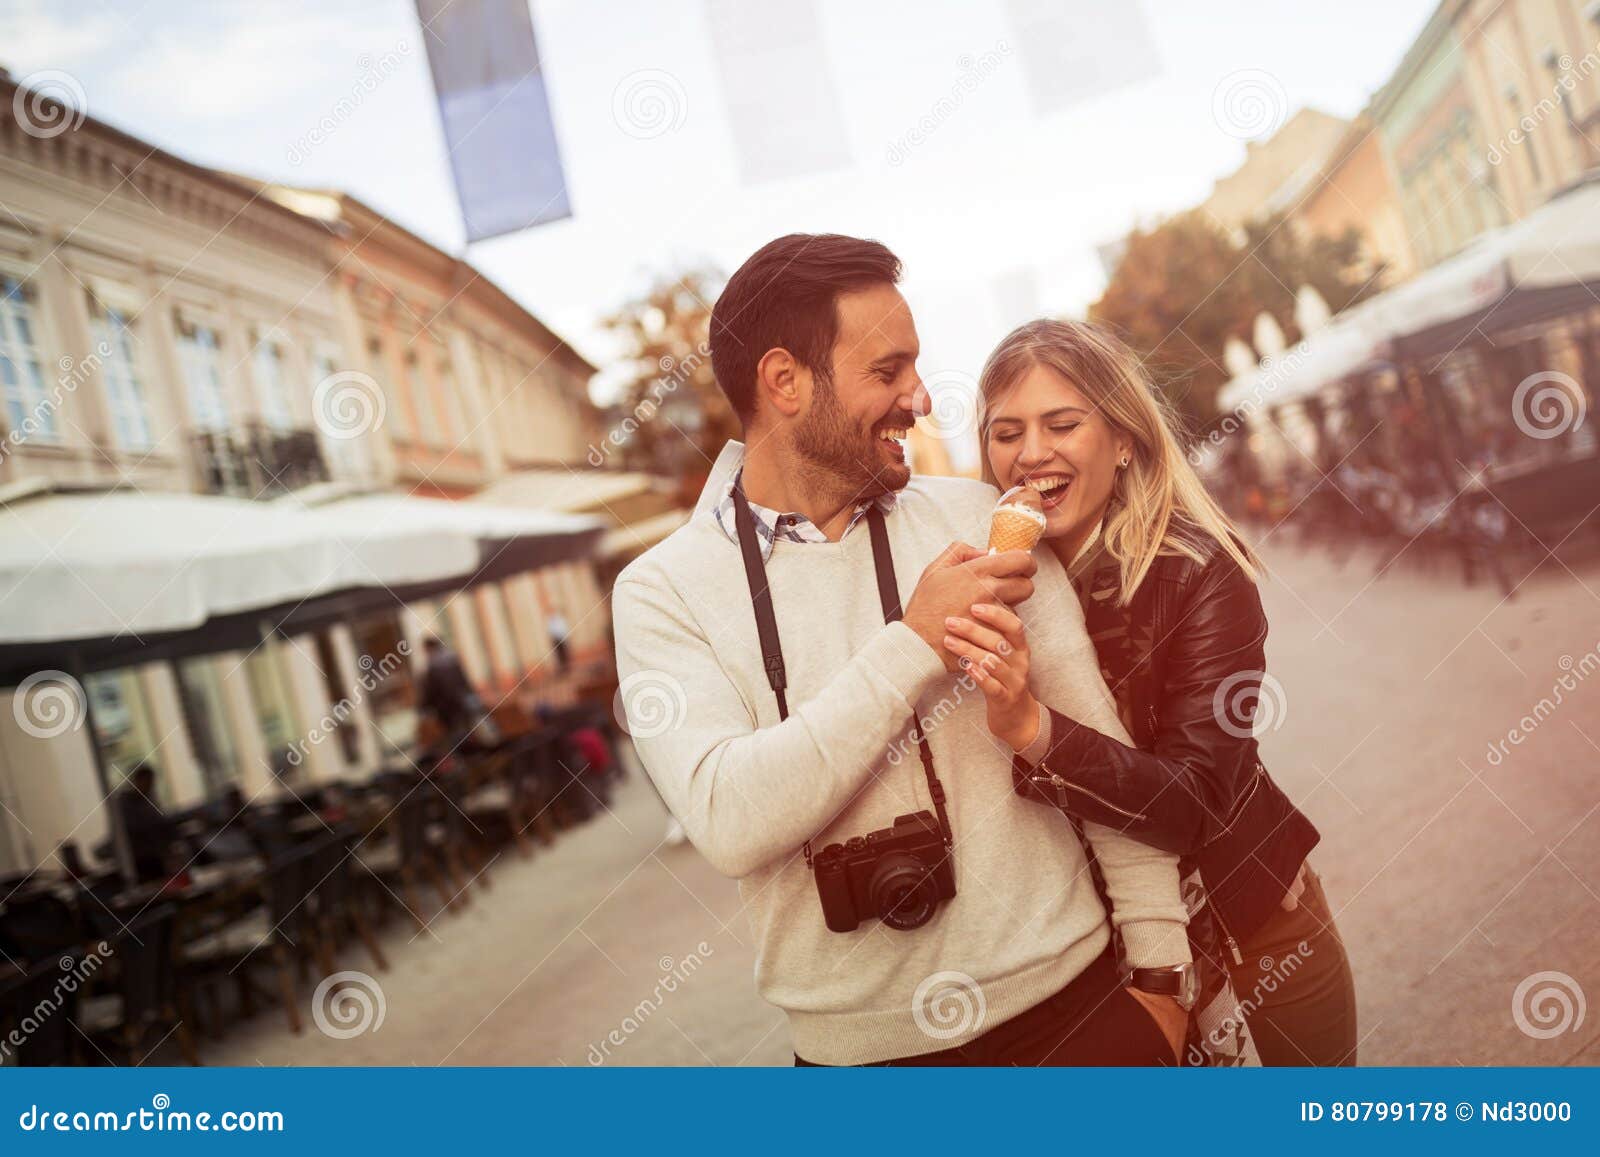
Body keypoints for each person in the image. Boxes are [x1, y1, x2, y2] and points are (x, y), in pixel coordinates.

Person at [613, 234, 1194, 1067]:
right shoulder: (660, 591)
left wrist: (1161, 980)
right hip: (859, 1061)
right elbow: (730, 821)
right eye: (888, 371)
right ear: (785, 381)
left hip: (1078, 1012)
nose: (921, 398)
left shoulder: (981, 519)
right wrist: (915, 640)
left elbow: (1100, 754)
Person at [944, 318, 1357, 1066]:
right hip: (1088, 965)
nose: (1031, 452)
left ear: (1124, 441)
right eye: (1006, 432)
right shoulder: (980, 586)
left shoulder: (1199, 574)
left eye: (1061, 424)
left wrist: (1034, 728)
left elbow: (1195, 803)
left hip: (1256, 933)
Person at [113, 762, 177, 884]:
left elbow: (160, 822)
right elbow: (139, 828)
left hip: (154, 855)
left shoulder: (148, 799)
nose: (149, 786)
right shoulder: (125, 803)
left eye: (151, 783)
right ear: (136, 781)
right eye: (146, 782)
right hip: (139, 858)